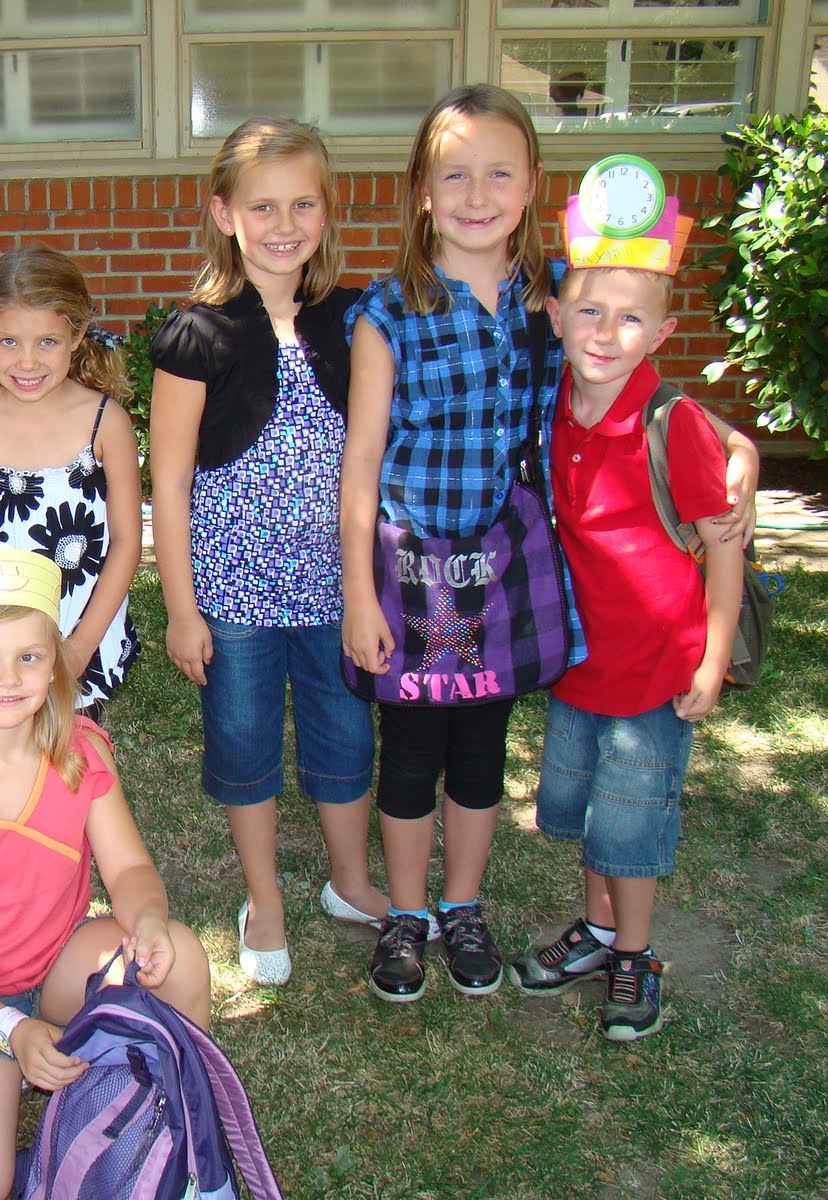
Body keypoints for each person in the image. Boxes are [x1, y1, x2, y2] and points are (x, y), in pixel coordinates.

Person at [339, 85, 757, 1004]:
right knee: (411, 748)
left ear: (533, 186)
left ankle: (462, 905)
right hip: (407, 570)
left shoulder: (557, 298)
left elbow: (636, 374)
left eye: (500, 173)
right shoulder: (386, 312)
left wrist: (741, 450)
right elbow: (362, 460)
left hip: (501, 568)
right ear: (421, 189)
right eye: (454, 174)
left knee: (481, 747)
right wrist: (358, 596)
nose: (477, 194)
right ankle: (407, 914)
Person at [0, 542, 211, 1200]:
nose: (9, 677)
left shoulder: (79, 752)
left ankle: (175, 1128)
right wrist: (13, 1029)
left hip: (59, 962)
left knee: (180, 957)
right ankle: (33, 1080)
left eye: (29, 656)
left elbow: (131, 867)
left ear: (54, 665)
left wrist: (145, 919)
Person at [507, 162, 742, 1041]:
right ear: (559, 315)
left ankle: (636, 954)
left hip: (654, 672)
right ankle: (600, 927)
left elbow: (724, 543)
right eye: (590, 311)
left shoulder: (670, 424)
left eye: (631, 316)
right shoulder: (557, 402)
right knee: (581, 810)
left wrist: (713, 659)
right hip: (580, 663)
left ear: (663, 330)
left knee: (632, 821)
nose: (606, 332)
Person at [148, 117, 381, 987]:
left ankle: (350, 879)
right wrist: (181, 608)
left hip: (334, 587)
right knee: (245, 743)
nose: (284, 224)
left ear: (326, 212)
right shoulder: (197, 334)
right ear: (224, 212)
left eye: (303, 205)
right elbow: (167, 482)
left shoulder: (354, 319)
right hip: (233, 594)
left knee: (344, 734)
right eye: (262, 206)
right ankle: (265, 897)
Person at [0, 246, 142, 717]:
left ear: (77, 335)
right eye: (9, 341)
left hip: (82, 631)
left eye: (47, 342)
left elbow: (127, 542)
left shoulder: (105, 423)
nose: (27, 362)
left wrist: (79, 647)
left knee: (74, 760)